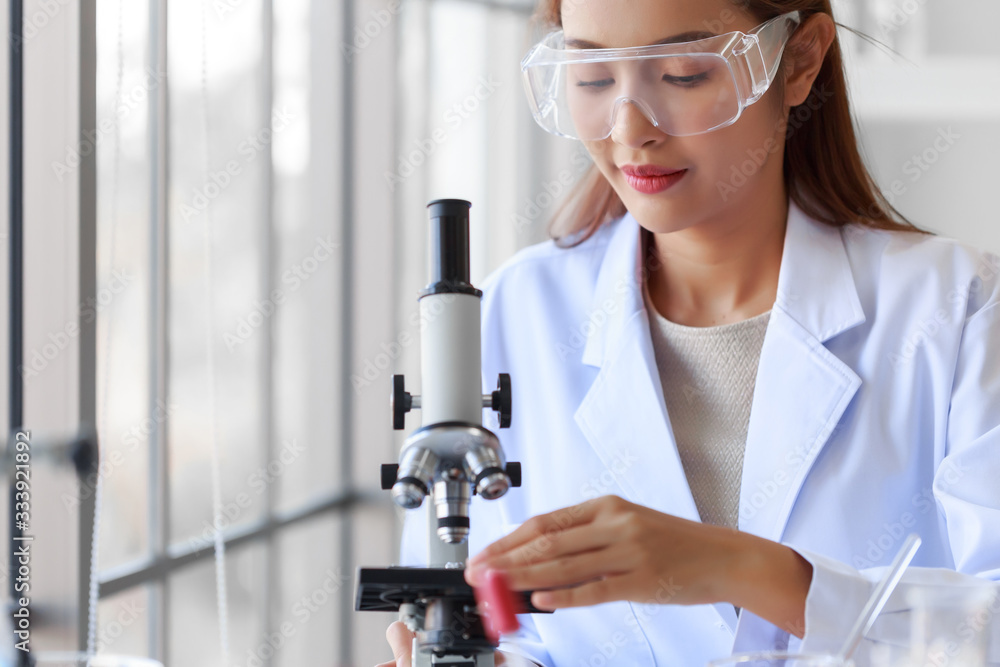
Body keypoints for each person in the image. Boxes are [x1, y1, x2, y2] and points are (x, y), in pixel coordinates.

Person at [378, 0, 1000, 665]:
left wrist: (736, 567)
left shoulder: (954, 308)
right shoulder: (514, 311)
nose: (630, 129)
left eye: (681, 74)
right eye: (591, 76)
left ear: (798, 61)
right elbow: (496, 619)